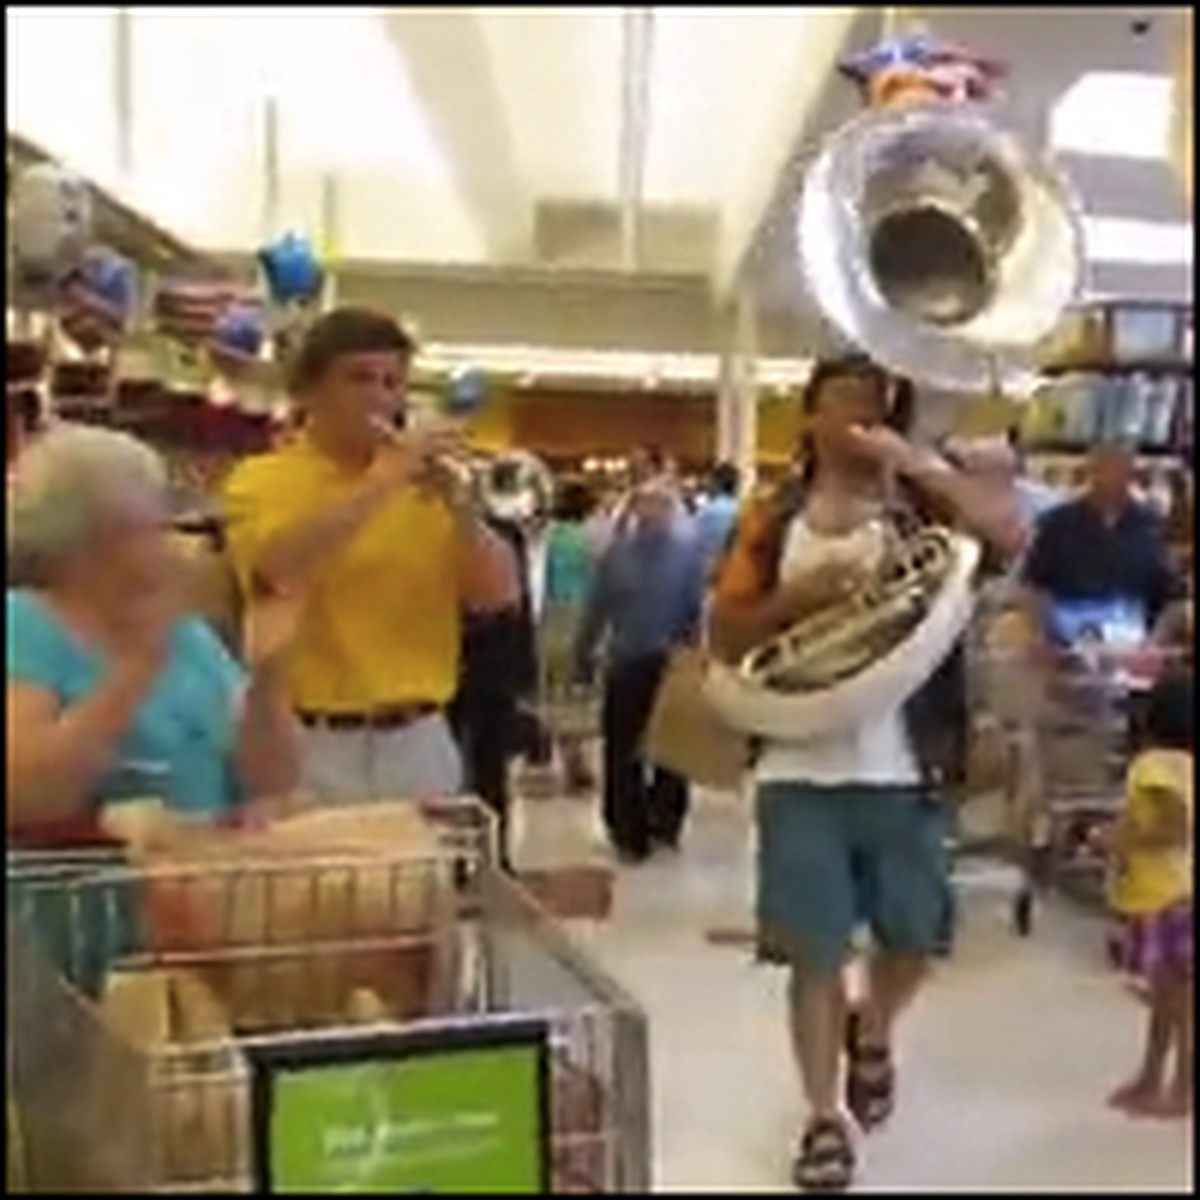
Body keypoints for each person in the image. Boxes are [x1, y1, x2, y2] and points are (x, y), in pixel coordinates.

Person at [707, 354, 1022, 1192]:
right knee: (813, 952)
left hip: (909, 765)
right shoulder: (771, 516)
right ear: (807, 419)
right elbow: (727, 633)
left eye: (876, 407)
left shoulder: (927, 507)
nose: (859, 420)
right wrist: (796, 604)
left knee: (915, 938)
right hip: (795, 767)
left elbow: (1012, 537)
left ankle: (873, 1026)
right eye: (842, 405)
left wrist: (919, 462)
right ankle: (822, 1118)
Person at [222, 307, 519, 803]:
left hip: (420, 739)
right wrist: (383, 480)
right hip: (308, 743)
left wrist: (463, 511)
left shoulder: (426, 487)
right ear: (309, 390)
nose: (381, 395)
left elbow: (497, 595)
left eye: (393, 381)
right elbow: (277, 571)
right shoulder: (261, 479)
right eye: (359, 378)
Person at [7, 424, 300, 840]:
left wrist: (269, 679)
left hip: (193, 893)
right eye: (155, 527)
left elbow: (272, 782)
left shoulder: (187, 633)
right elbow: (28, 797)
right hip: (76, 898)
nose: (176, 544)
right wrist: (134, 670)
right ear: (90, 538)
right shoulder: (21, 626)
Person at [575, 481, 706, 864]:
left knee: (669, 750)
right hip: (632, 660)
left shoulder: (681, 556)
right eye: (646, 505)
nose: (651, 514)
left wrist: (696, 654)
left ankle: (659, 820)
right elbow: (597, 608)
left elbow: (697, 609)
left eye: (659, 506)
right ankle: (632, 827)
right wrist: (583, 652)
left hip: (665, 661)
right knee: (628, 749)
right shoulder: (620, 555)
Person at [1106, 668, 1193, 1119]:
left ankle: (1181, 1087)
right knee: (1167, 998)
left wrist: (1119, 840)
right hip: (1173, 895)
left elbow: (1173, 825)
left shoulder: (1153, 766)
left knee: (1176, 1003)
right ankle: (1153, 1077)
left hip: (1167, 898)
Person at [449, 507, 538, 871]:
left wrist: (523, 668)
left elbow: (519, 603)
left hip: (491, 668)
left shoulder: (504, 534)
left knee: (491, 771)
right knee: (453, 773)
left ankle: (496, 854)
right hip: (446, 666)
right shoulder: (434, 530)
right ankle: (457, 856)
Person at [1023, 442, 1179, 646]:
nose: (1110, 477)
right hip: (1068, 646)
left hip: (1135, 648)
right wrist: (1042, 637)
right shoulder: (1055, 524)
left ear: (1131, 472)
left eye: (1119, 468)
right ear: (1089, 471)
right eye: (1102, 468)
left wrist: (1154, 644)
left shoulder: (1154, 527)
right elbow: (1036, 587)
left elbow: (1173, 598)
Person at [542, 478, 599, 792]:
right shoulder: (589, 539)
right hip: (580, 616)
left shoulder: (552, 537)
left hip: (553, 616)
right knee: (581, 692)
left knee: (558, 691)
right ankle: (579, 763)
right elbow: (596, 581)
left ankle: (566, 758)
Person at [694, 461, 742, 573]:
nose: (709, 482)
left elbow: (693, 530)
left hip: (703, 558)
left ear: (719, 482)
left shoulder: (710, 506)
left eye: (712, 479)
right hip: (722, 562)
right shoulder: (735, 506)